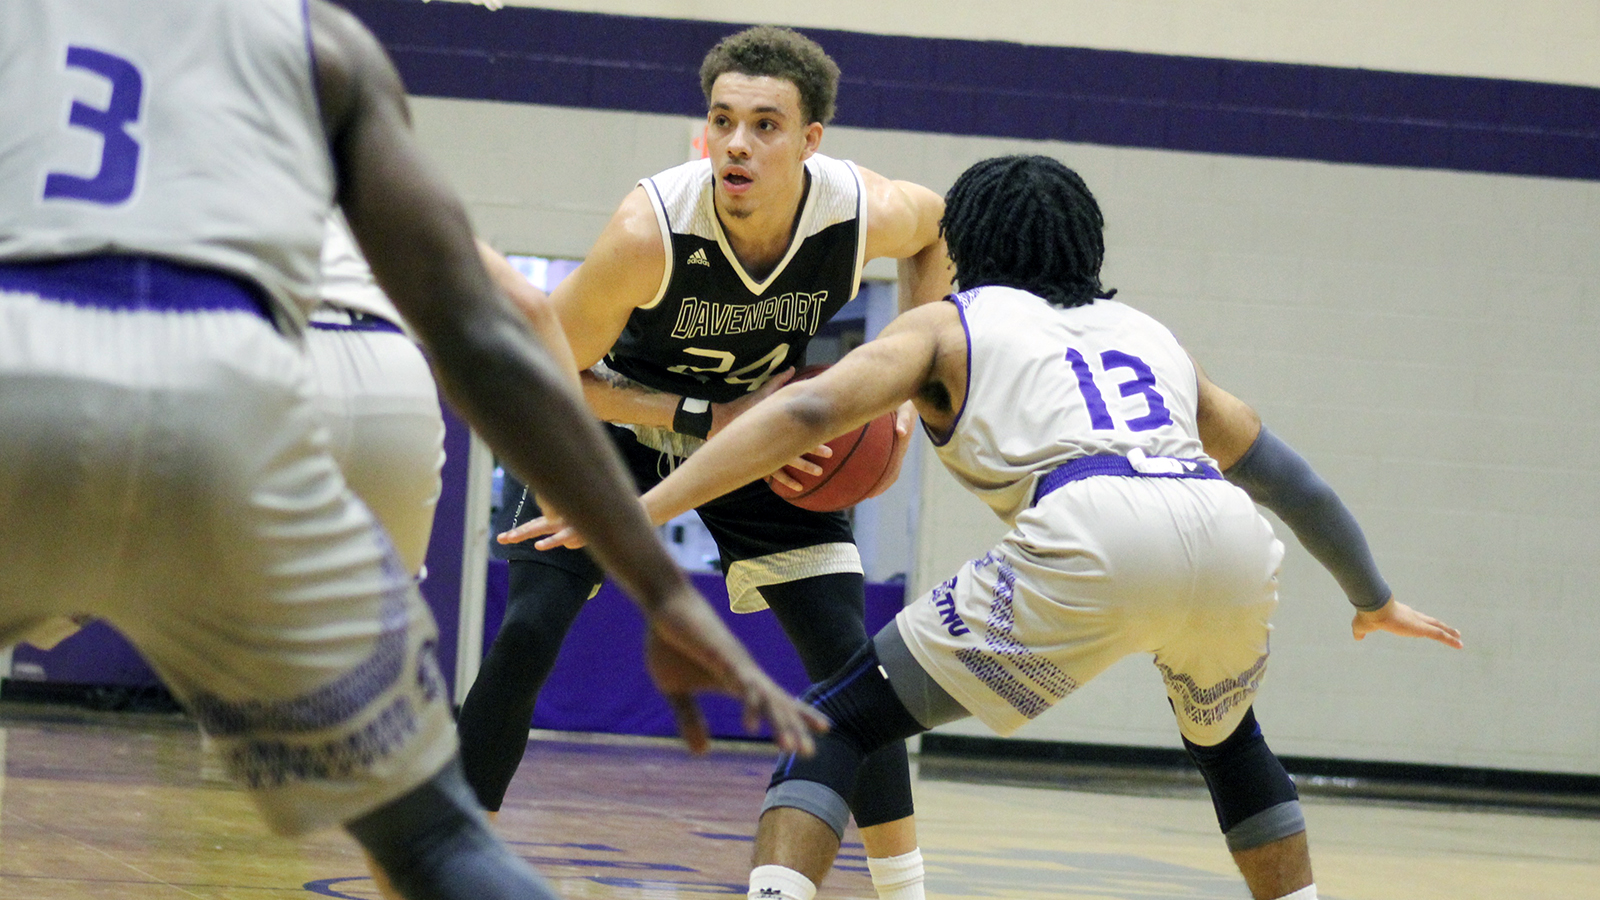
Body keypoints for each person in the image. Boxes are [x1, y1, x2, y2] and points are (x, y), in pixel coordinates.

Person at [0, 4, 824, 900]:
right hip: (241, 400)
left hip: (25, 362)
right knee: (430, 841)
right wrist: (661, 589)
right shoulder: (322, 44)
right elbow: (489, 326)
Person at [508, 155, 1465, 900]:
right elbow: (1289, 479)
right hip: (1225, 535)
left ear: (965, 243)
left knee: (837, 721)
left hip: (1092, 526)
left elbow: (804, 415)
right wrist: (1372, 596)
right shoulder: (1151, 338)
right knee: (1231, 744)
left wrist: (637, 511)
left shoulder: (951, 322)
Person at [471, 24, 950, 900]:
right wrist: (699, 414)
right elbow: (546, 372)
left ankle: (905, 890)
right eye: (723, 120)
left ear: (810, 141)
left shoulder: (857, 213)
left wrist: (904, 389)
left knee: (854, 665)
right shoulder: (648, 231)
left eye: (765, 126)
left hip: (759, 438)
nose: (736, 143)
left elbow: (938, 229)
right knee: (528, 631)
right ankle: (451, 868)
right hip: (612, 424)